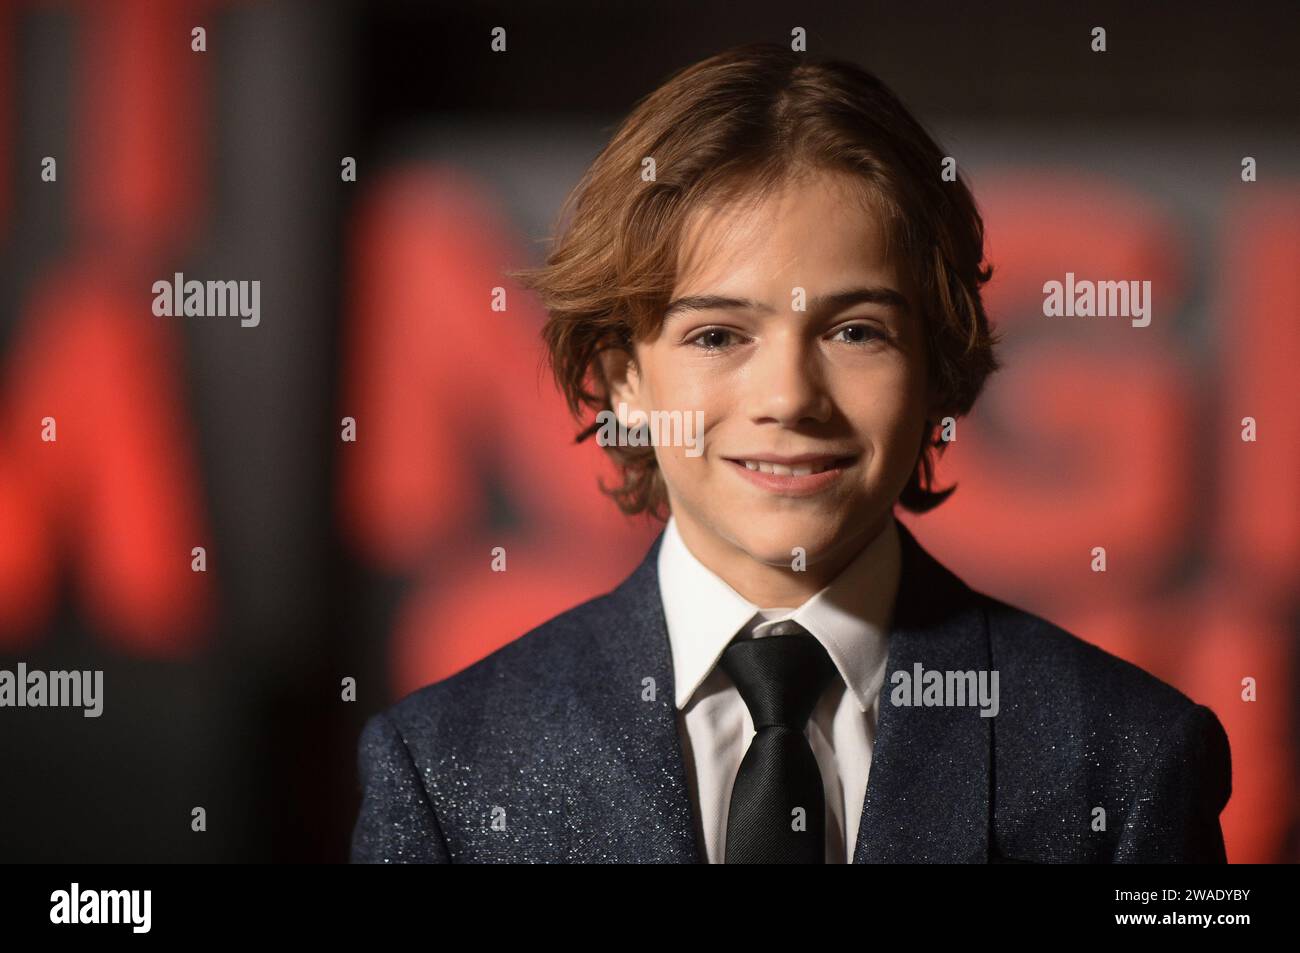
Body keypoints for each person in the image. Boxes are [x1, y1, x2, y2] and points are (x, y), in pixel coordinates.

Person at [349, 42, 1231, 863]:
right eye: (718, 334)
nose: (789, 399)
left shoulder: (1126, 759)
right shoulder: (444, 767)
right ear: (623, 380)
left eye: (854, 330)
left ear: (938, 364)